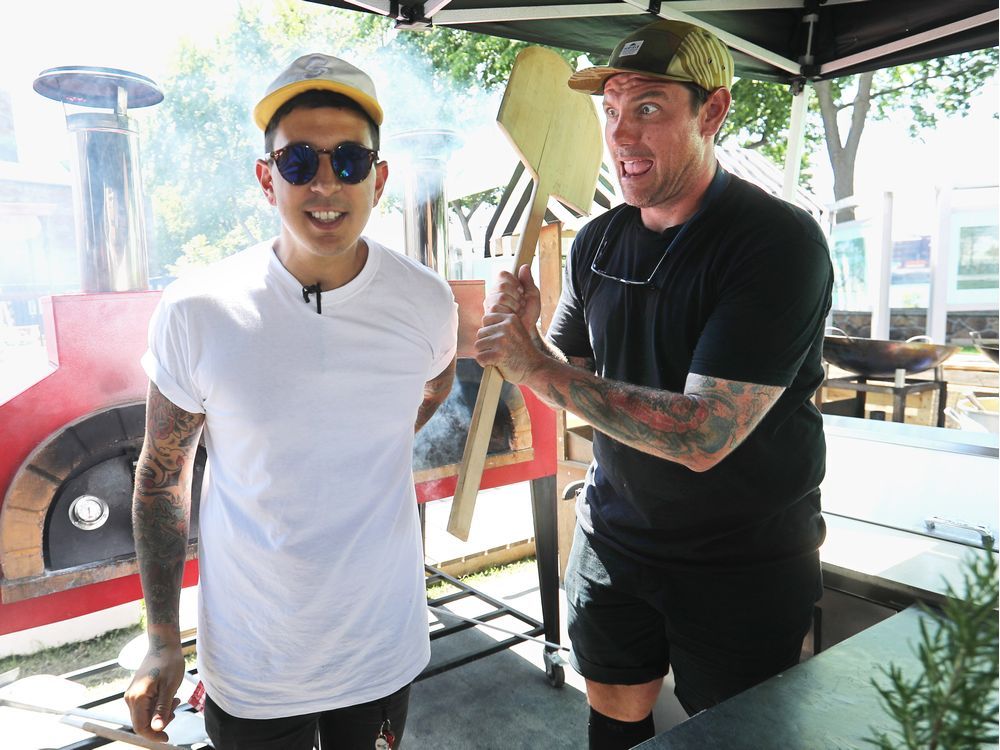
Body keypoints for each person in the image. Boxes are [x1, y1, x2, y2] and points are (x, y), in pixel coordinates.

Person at [474, 19, 833, 750]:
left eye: (648, 108)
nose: (621, 134)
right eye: (609, 109)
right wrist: (530, 343)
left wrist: (537, 366)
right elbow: (570, 377)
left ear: (713, 112)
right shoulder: (599, 241)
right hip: (618, 537)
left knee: (732, 734)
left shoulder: (774, 243)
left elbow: (705, 433)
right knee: (612, 714)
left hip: (742, 559)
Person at [124, 53, 458, 750]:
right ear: (266, 176)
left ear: (380, 176)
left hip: (380, 648)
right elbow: (159, 479)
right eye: (299, 161)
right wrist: (160, 639)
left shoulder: (426, 301)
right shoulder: (197, 309)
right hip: (254, 658)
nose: (326, 183)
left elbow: (435, 384)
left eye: (349, 160)